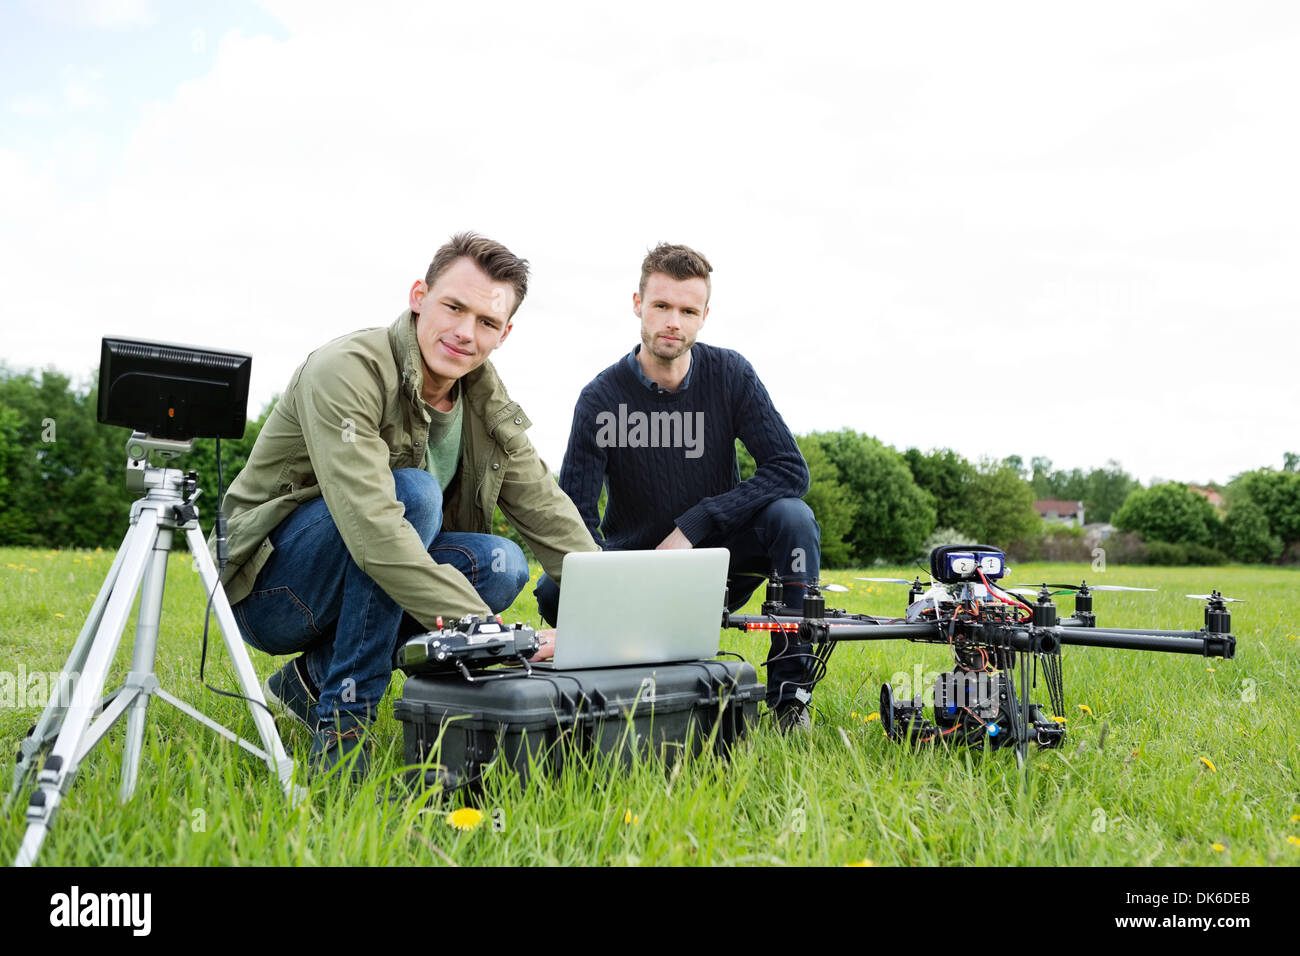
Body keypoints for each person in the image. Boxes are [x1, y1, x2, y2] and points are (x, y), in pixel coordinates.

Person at [213, 232, 595, 776]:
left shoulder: (485, 397)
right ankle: (344, 731)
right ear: (419, 296)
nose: (466, 333)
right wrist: (496, 635)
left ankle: (312, 682)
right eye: (453, 307)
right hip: (273, 589)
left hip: (368, 576)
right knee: (411, 494)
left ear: (505, 333)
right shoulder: (346, 369)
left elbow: (543, 505)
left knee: (502, 563)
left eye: (487, 322)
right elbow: (375, 531)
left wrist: (612, 609)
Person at [536, 243, 821, 730]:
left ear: (704, 315)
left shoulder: (731, 375)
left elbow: (789, 469)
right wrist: (606, 592)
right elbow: (576, 515)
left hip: (720, 568)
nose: (674, 321)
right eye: (661, 306)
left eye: (688, 310)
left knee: (793, 516)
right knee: (550, 591)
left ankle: (790, 699)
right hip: (636, 570)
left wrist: (697, 524)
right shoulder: (600, 398)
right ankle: (616, 661)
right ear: (637, 304)